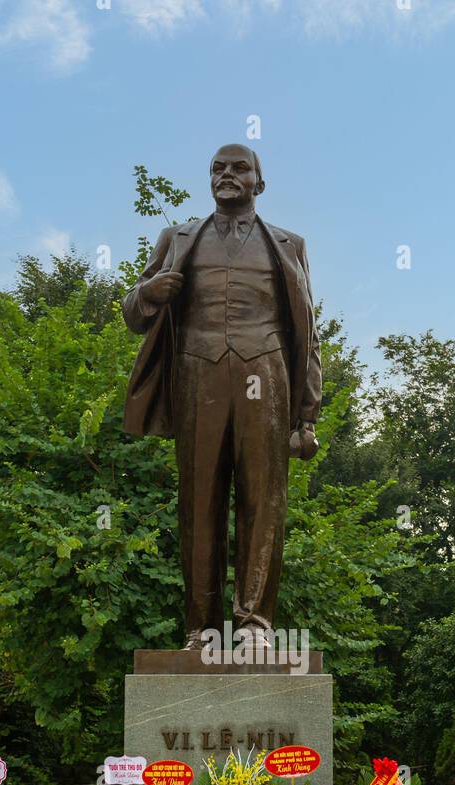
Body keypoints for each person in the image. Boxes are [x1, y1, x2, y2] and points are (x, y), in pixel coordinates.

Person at [121, 143, 321, 649]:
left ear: (260, 180)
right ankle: (202, 630)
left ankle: (255, 625)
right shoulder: (178, 238)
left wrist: (307, 417)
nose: (226, 175)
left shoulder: (289, 244)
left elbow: (308, 333)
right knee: (199, 503)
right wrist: (149, 293)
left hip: (267, 377)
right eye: (217, 169)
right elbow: (131, 315)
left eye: (239, 168)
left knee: (263, 501)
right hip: (197, 378)